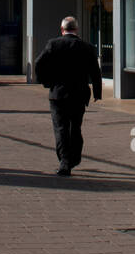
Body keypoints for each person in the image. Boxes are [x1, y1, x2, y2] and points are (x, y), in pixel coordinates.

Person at [33, 16, 102, 176]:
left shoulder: (53, 44)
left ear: (62, 29)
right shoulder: (87, 48)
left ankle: (64, 161)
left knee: (61, 128)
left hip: (58, 94)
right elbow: (95, 72)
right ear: (76, 30)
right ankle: (74, 158)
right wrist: (97, 92)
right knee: (75, 127)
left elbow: (38, 63)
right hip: (79, 95)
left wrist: (45, 82)